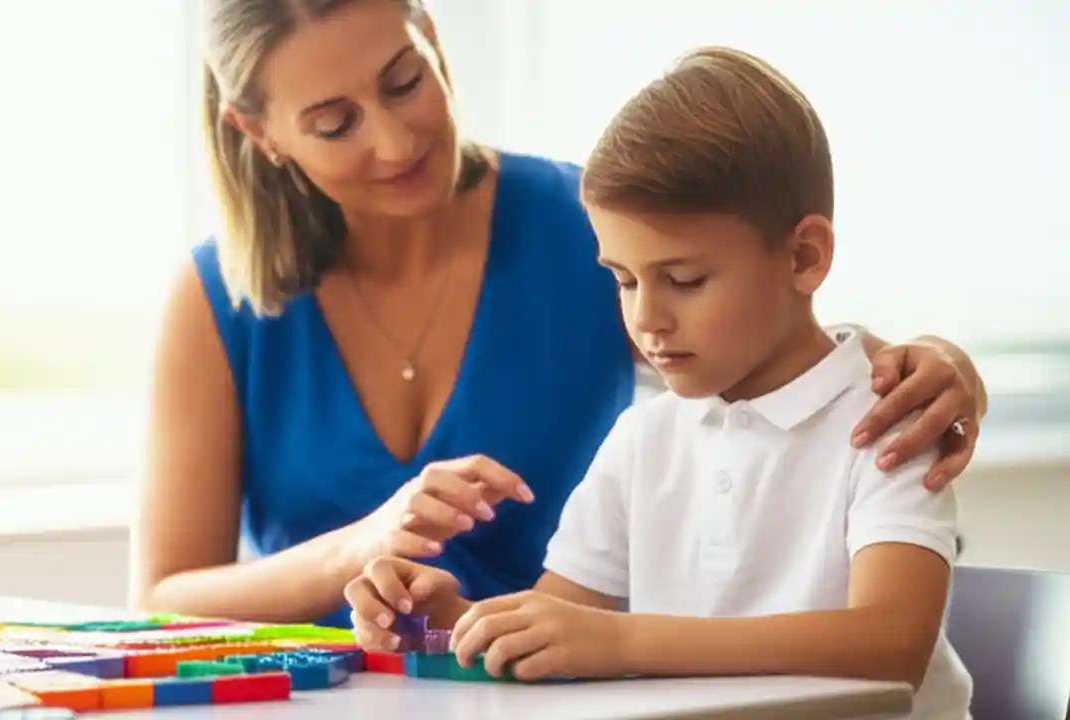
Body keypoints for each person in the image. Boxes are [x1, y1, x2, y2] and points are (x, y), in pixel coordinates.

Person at [131, 0, 988, 630]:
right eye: (334, 122)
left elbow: (781, 343)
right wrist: (362, 546)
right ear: (259, 131)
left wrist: (935, 361)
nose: (395, 141)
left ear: (429, 34)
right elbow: (163, 598)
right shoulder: (216, 301)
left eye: (404, 81)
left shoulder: (578, 224)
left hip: (548, 689)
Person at [343, 47, 972, 716]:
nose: (647, 319)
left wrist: (625, 641)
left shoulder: (897, 414)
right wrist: (451, 623)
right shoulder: (645, 438)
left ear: (804, 256)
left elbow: (892, 642)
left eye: (684, 281)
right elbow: (558, 626)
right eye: (623, 279)